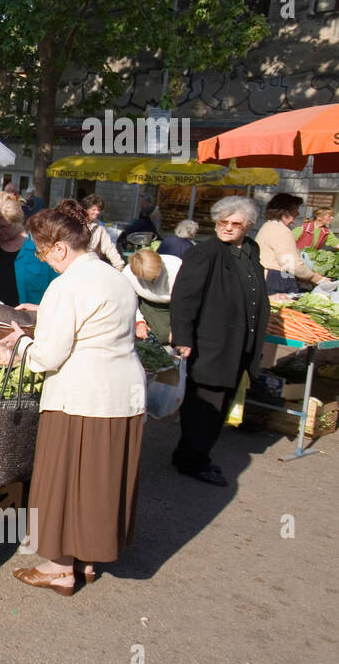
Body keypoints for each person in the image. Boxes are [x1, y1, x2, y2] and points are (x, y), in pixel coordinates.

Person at [0, 199, 147, 594]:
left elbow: (46, 357)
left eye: (43, 251)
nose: (43, 260)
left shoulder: (67, 284)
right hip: (122, 394)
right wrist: (43, 311)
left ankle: (59, 568)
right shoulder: (114, 277)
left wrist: (17, 346)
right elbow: (96, 317)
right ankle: (87, 560)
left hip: (81, 396)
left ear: (61, 247)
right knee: (98, 483)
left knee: (61, 480)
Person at [169, 196, 269, 487]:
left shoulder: (251, 248)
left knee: (221, 404)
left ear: (248, 226)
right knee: (204, 408)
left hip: (239, 341)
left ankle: (189, 454)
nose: (226, 228)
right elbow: (184, 297)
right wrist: (184, 337)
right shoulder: (206, 252)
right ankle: (194, 460)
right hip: (212, 343)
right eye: (221, 222)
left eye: (234, 223)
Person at [0, 191, 56, 321]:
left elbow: (56, 287)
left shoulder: (39, 248)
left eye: (4, 227)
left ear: (17, 222)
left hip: (25, 322)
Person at [257, 193, 330, 292]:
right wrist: (317, 278)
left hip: (266, 276)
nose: (298, 214)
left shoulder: (268, 226)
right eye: (296, 210)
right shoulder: (281, 230)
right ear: (286, 212)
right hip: (277, 279)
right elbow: (291, 263)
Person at [124, 248, 182, 343]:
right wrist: (139, 322)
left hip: (178, 303)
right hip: (151, 305)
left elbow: (187, 299)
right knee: (156, 337)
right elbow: (129, 302)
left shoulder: (176, 266)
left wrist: (179, 327)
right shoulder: (127, 274)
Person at [80, 193, 125, 270]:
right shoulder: (76, 223)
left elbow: (108, 246)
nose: (97, 212)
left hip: (91, 264)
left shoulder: (99, 227)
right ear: (86, 209)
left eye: (98, 210)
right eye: (94, 209)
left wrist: (119, 264)